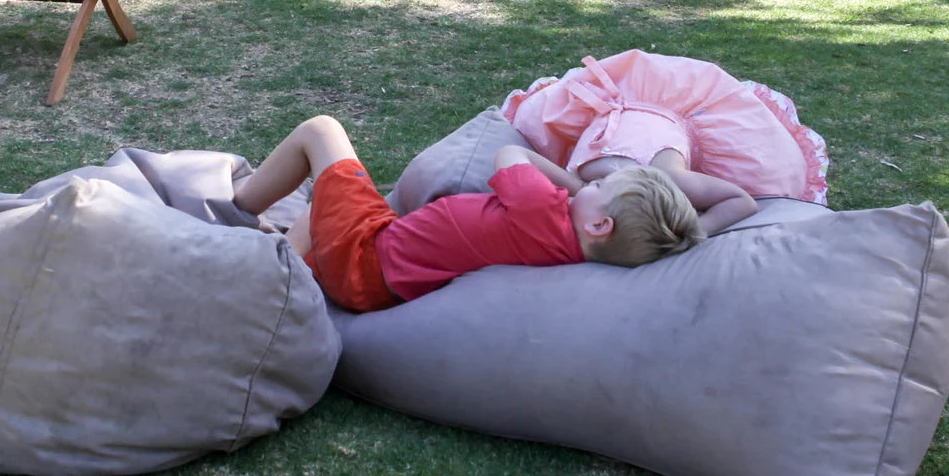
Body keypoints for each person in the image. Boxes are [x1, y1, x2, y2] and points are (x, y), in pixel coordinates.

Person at [230, 115, 757, 313]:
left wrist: (571, 181)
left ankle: (238, 207)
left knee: (321, 131)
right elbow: (739, 204)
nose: (592, 185)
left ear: (601, 225)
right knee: (322, 203)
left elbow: (508, 155)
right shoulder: (573, 254)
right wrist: (689, 237)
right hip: (377, 282)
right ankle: (276, 253)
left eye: (603, 187)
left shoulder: (541, 208)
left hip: (365, 254)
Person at [502, 50, 831, 204]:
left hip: (630, 141)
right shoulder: (672, 180)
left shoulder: (584, 190)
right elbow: (741, 201)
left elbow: (514, 155)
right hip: (647, 121)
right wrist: (700, 233)